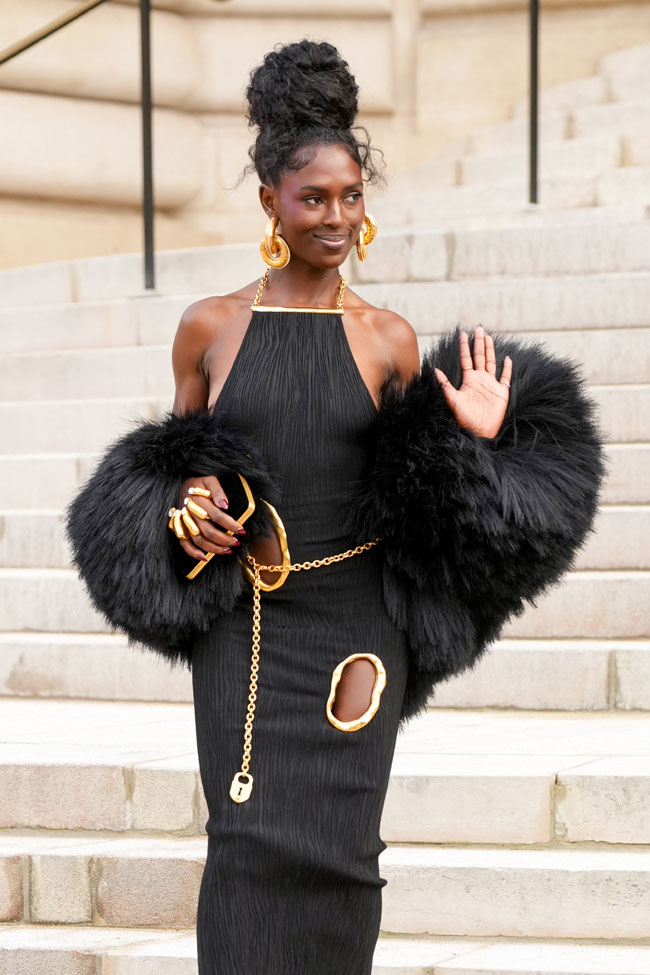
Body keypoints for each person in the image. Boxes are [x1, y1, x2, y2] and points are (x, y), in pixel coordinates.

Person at [66, 39, 605, 975]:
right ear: (271, 198)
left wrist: (472, 439)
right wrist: (186, 505)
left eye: (352, 197)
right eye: (314, 198)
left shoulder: (389, 339)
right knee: (244, 849)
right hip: (247, 626)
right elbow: (188, 468)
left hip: (358, 630)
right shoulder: (209, 326)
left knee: (344, 858)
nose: (337, 218)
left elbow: (430, 508)